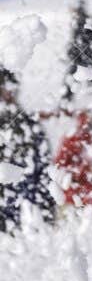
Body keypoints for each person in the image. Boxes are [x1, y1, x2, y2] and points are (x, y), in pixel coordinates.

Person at [0, 67, 56, 233]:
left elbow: (43, 170)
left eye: (6, 89)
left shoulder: (27, 125)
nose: (4, 94)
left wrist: (46, 210)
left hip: (22, 210)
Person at [62, 0, 92, 104]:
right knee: (90, 80)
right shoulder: (82, 21)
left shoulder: (84, 22)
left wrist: (89, 56)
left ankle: (65, 105)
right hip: (85, 58)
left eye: (72, 9)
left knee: (73, 78)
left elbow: (87, 42)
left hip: (86, 58)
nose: (71, 12)